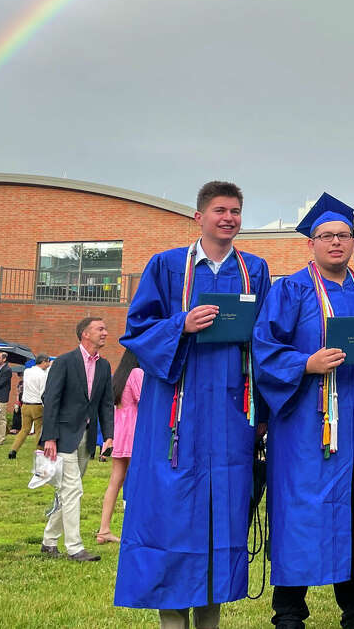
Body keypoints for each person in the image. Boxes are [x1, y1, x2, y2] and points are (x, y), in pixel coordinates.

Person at [116, 180, 271, 629]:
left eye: (236, 211)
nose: (228, 218)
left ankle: (210, 622)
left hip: (230, 415)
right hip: (174, 416)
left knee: (221, 520)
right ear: (198, 216)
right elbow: (138, 330)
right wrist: (180, 324)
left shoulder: (254, 270)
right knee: (171, 516)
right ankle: (171, 622)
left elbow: (264, 342)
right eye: (220, 210)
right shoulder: (165, 266)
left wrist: (260, 413)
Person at [253, 193, 354, 629]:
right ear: (310, 243)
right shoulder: (290, 289)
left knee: (351, 511)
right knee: (300, 514)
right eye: (326, 235)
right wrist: (304, 364)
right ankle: (289, 611)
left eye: (343, 235)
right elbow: (264, 349)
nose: (336, 242)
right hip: (305, 428)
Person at [39, 316, 114, 562]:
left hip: (87, 436)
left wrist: (109, 436)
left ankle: (49, 541)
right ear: (85, 334)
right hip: (61, 436)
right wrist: (49, 436)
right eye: (100, 329)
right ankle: (74, 547)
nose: (105, 332)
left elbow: (105, 404)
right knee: (73, 489)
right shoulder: (64, 362)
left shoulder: (104, 366)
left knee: (67, 490)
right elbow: (51, 399)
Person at [97, 348, 143, 545]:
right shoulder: (138, 373)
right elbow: (145, 401)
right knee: (139, 481)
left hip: (119, 430)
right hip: (134, 430)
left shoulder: (119, 376)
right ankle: (134, 530)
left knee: (115, 481)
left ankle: (103, 529)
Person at [10, 354, 51, 460]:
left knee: (24, 429)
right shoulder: (43, 375)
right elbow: (43, 391)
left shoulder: (27, 372)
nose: (48, 364)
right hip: (37, 405)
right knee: (39, 430)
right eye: (47, 362)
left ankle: (13, 450)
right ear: (43, 362)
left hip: (26, 404)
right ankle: (39, 451)